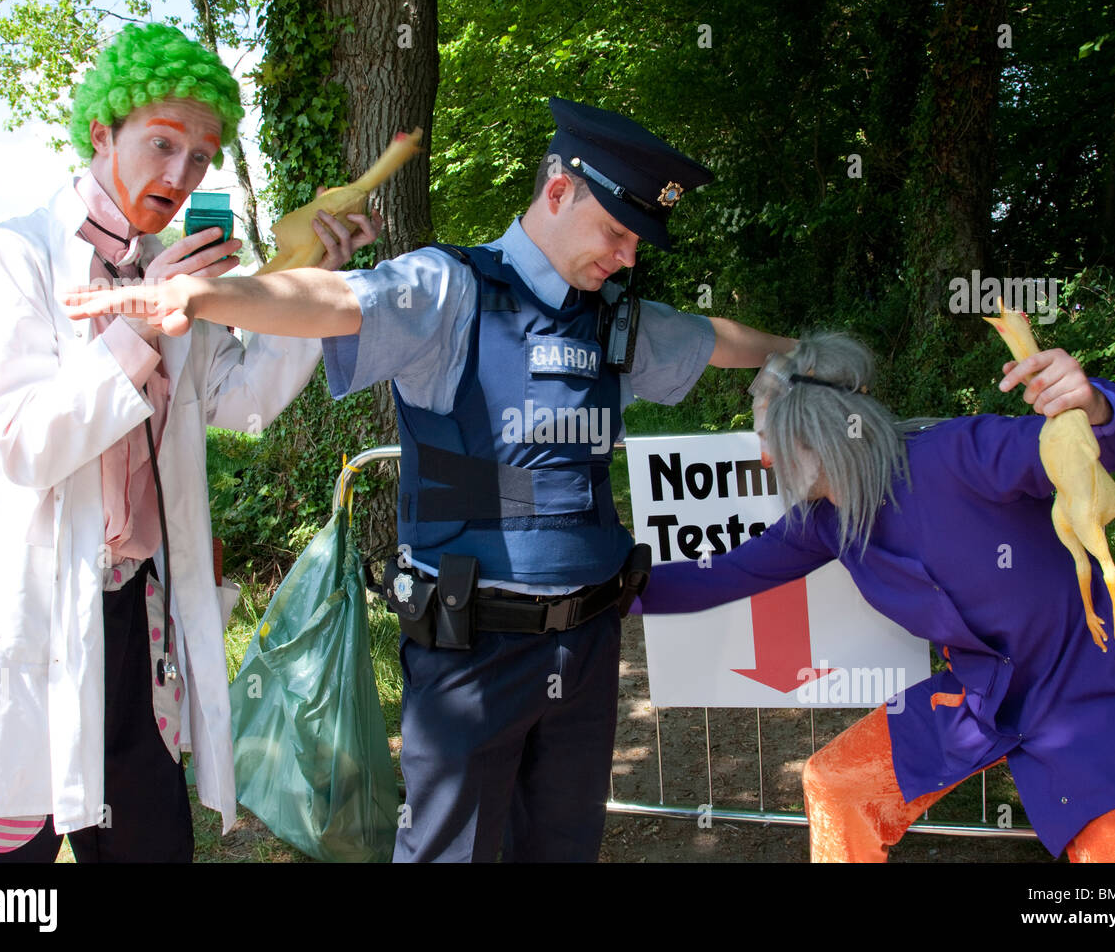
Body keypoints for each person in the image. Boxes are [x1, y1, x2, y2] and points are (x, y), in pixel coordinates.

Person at [65, 97, 795, 861]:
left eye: (638, 241)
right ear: (556, 194)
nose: (629, 256)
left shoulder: (608, 318)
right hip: (473, 655)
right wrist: (200, 295)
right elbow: (336, 301)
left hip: (586, 651)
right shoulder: (449, 291)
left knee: (562, 849)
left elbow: (711, 340)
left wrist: (801, 351)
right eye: (616, 232)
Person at [0, 23, 378, 863]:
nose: (180, 174)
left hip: (138, 617)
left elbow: (240, 402)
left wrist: (318, 291)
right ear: (102, 132)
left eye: (200, 157)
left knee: (150, 846)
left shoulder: (174, 273)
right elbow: (19, 449)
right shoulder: (6, 259)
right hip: (27, 619)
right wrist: (137, 334)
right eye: (161, 144)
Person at [636, 333, 1115, 862]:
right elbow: (719, 576)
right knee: (838, 786)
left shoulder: (957, 454)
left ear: (822, 437)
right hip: (983, 696)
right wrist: (604, 591)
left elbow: (1096, 448)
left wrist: (1092, 405)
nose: (768, 462)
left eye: (774, 445)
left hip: (1104, 693)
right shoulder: (826, 522)